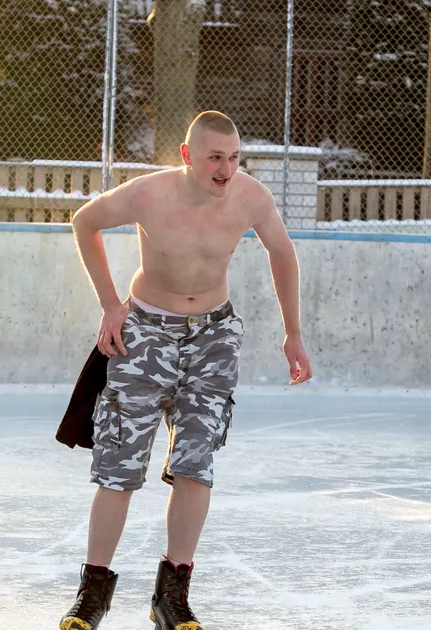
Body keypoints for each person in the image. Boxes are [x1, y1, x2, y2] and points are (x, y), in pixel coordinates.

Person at [59, 111, 312, 630]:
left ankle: (171, 596)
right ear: (186, 156)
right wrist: (111, 305)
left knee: (196, 466)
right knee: (119, 469)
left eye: (234, 157)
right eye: (215, 158)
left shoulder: (249, 197)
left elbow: (282, 253)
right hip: (145, 334)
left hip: (214, 336)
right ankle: (93, 595)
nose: (226, 170)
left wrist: (293, 334)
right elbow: (84, 222)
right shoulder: (150, 194)